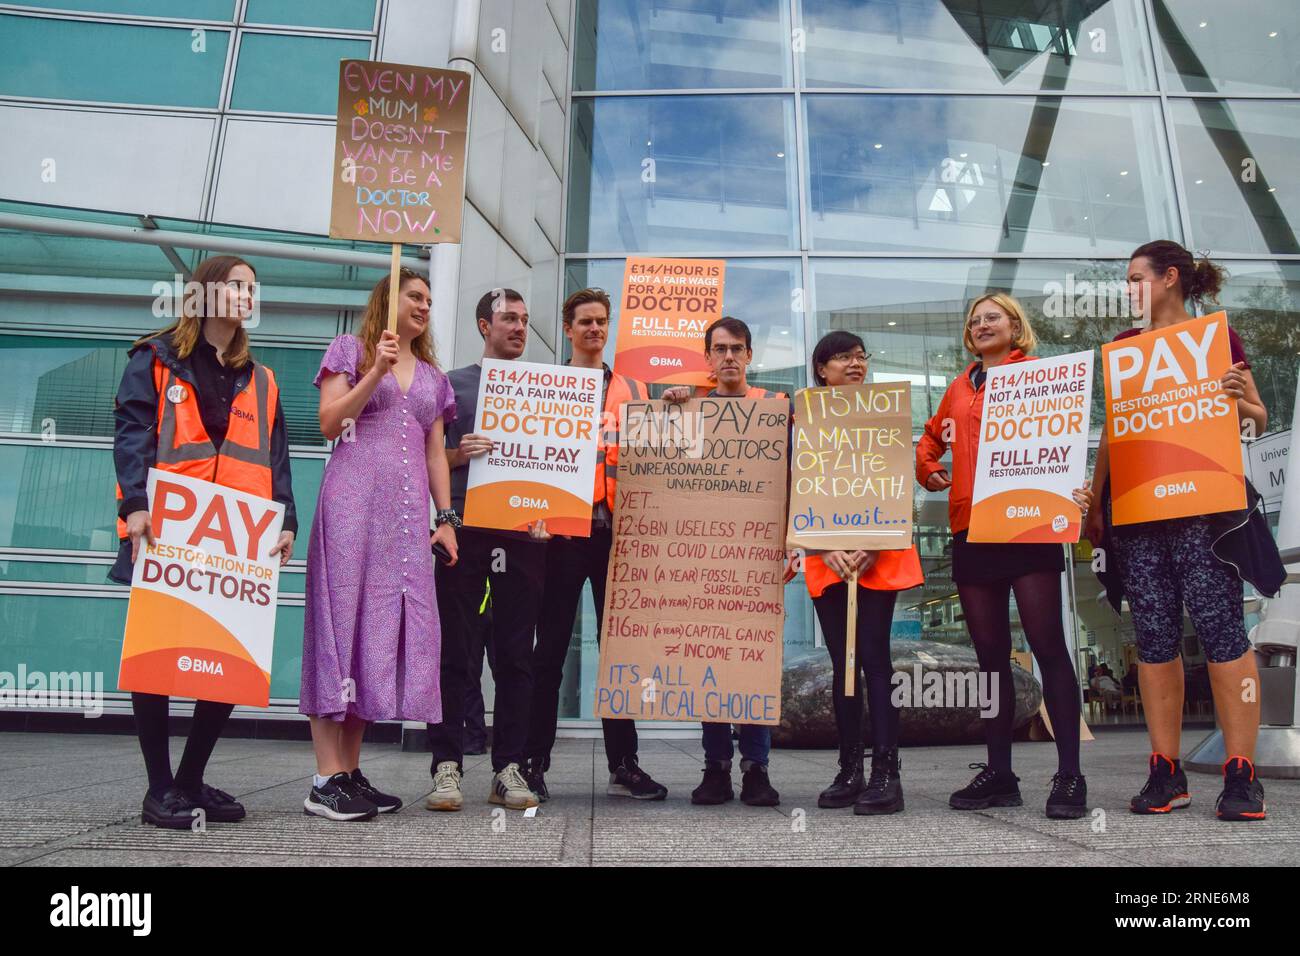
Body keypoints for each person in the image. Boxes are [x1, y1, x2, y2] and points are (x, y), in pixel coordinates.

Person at [1085, 240, 1271, 821]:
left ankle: (1241, 773)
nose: (1128, 287)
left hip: (1203, 509)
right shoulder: (1123, 349)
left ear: (1169, 278)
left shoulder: (1216, 338)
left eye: (1135, 277)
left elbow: (1258, 416)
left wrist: (1243, 401)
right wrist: (1095, 503)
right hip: (1138, 513)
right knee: (1156, 638)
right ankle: (1164, 770)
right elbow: (1115, 435)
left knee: (1222, 633)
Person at [111, 254, 296, 828]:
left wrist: (287, 519)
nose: (246, 295)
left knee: (228, 655)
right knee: (159, 658)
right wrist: (135, 504)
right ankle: (159, 787)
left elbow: (277, 458)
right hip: (168, 529)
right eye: (236, 285)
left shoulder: (260, 379)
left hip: (236, 540)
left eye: (253, 288)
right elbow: (133, 431)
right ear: (205, 292)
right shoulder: (157, 357)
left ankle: (190, 780)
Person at [916, 292, 1092, 819]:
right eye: (974, 320)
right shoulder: (959, 386)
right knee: (990, 660)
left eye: (993, 316)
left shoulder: (1038, 376)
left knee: (1048, 646)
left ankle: (1069, 776)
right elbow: (928, 443)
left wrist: (1073, 488)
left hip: (1028, 522)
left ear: (1016, 327)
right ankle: (999, 774)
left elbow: (1062, 442)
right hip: (972, 527)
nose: (981, 324)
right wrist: (930, 471)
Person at [300, 268, 459, 821]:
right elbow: (327, 421)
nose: (425, 305)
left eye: (429, 300)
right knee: (341, 622)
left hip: (407, 520)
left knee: (379, 629)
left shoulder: (436, 379)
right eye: (415, 295)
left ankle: (349, 770)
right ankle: (324, 779)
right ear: (387, 301)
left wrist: (446, 518)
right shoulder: (351, 349)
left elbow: (436, 451)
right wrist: (376, 372)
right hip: (351, 506)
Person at [523, 288, 669, 802]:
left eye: (601, 322)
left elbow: (658, 458)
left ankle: (624, 764)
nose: (594, 329)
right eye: (584, 321)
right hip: (562, 535)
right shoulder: (545, 386)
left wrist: (672, 410)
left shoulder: (632, 388)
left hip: (619, 535)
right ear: (568, 329)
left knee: (620, 653)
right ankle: (532, 763)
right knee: (551, 653)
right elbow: (528, 460)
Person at [424, 288, 548, 812]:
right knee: (458, 652)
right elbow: (425, 460)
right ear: (483, 325)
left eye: (524, 319)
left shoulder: (547, 388)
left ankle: (509, 768)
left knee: (517, 658)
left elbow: (558, 463)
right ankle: (447, 765)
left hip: (525, 539)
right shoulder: (452, 385)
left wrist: (552, 512)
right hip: (467, 536)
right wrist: (458, 453)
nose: (519, 327)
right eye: (508, 319)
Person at [798, 331, 923, 815]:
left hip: (878, 553)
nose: (856, 363)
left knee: (874, 657)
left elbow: (895, 485)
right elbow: (800, 484)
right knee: (842, 662)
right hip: (825, 555)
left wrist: (871, 541)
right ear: (821, 368)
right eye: (843, 357)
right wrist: (824, 544)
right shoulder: (806, 417)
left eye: (860, 356)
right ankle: (849, 767)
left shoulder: (885, 414)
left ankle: (886, 773)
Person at [664, 316, 784, 808]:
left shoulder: (776, 412)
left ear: (750, 356)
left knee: (753, 662)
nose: (729, 356)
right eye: (720, 349)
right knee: (709, 663)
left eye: (737, 348)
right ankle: (715, 767)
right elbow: (666, 481)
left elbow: (795, 478)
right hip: (705, 559)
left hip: (757, 559)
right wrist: (669, 412)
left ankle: (756, 768)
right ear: (707, 359)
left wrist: (792, 545)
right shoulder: (689, 411)